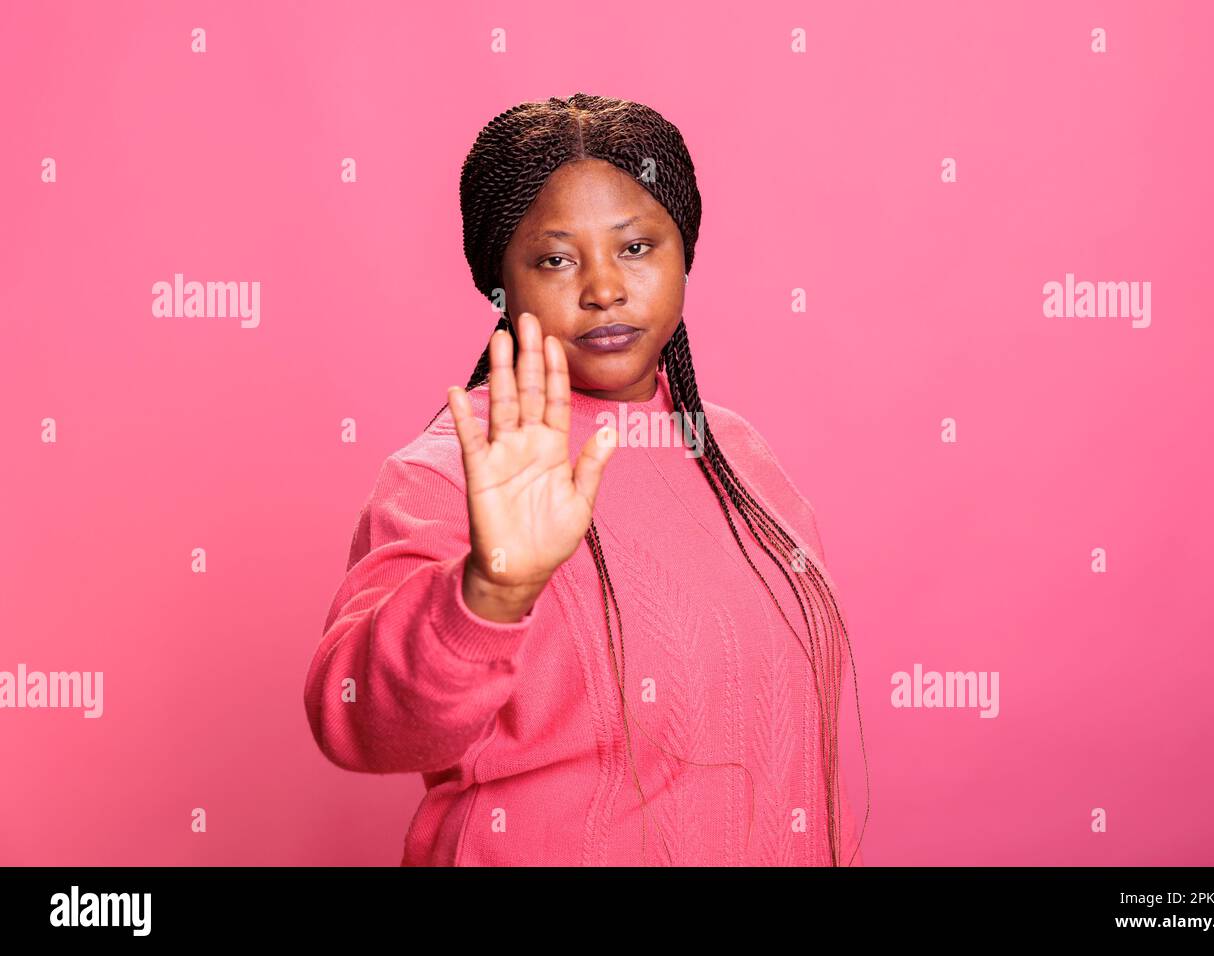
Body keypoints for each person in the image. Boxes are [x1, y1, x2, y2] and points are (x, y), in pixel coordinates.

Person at [303, 93, 869, 866]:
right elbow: (358, 721)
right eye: (556, 258)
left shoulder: (737, 455)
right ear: (499, 280)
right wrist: (491, 592)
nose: (603, 288)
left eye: (636, 248)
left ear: (684, 251)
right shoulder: (449, 472)